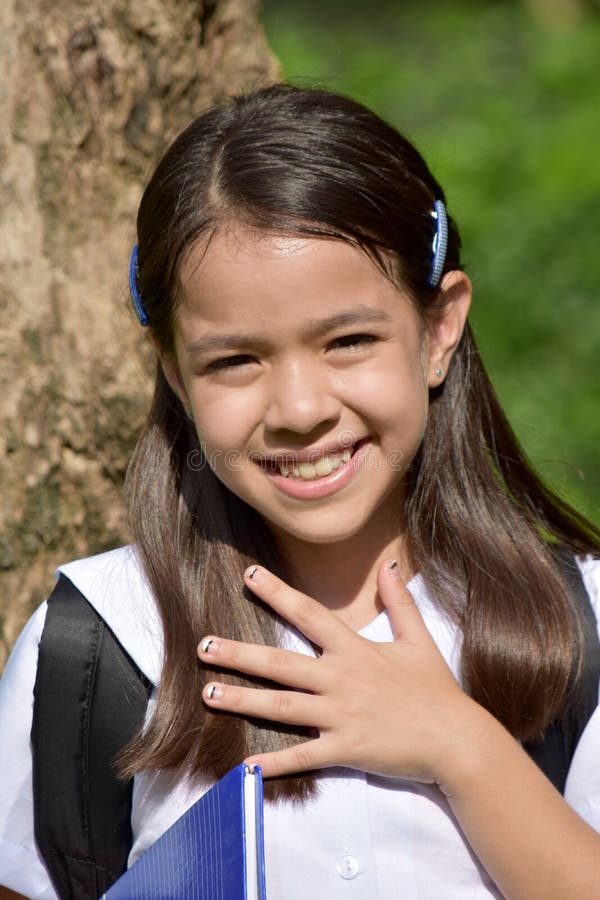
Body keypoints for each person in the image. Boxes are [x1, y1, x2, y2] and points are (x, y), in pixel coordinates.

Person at [0, 83, 599, 900]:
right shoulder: (96, 644)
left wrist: (461, 750)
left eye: (349, 341)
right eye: (234, 361)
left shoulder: (578, 625)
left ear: (438, 328)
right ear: (176, 374)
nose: (301, 411)